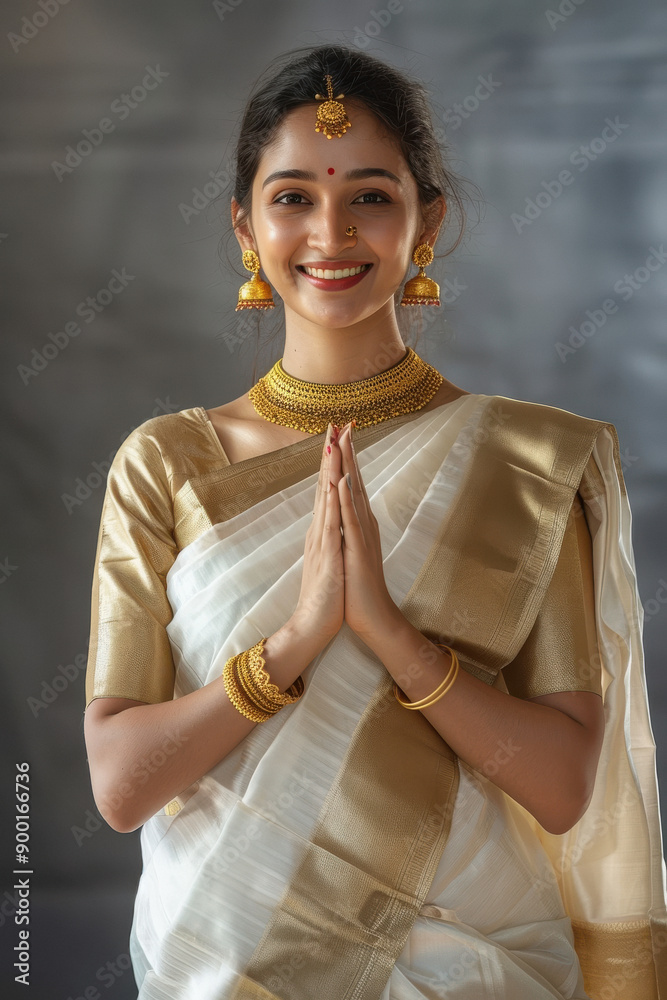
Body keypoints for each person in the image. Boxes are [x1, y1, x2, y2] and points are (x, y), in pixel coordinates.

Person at [83, 43, 666, 1000]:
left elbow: (563, 787)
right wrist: (293, 644)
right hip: (234, 964)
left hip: (467, 965)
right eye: (292, 198)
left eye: (369, 196)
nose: (331, 232)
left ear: (425, 221)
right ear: (243, 225)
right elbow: (121, 786)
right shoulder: (167, 464)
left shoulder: (521, 464)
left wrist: (397, 640)